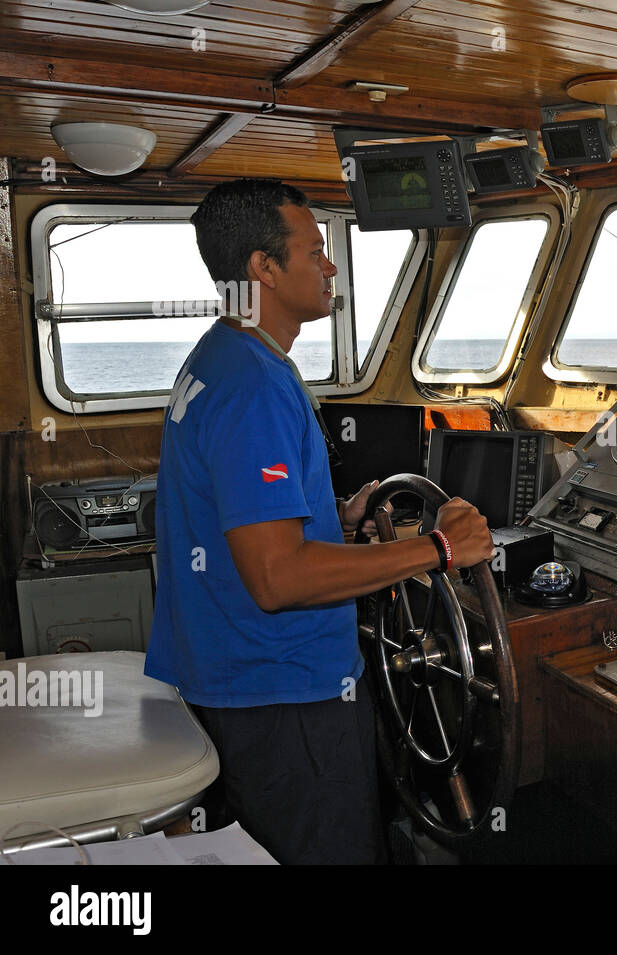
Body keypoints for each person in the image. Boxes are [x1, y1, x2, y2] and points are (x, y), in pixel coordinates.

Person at [144, 178, 493, 864]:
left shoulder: (220, 356)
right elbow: (278, 577)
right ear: (263, 269)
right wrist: (440, 547)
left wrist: (335, 518)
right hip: (283, 693)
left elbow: (241, 523)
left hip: (231, 681)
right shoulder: (255, 389)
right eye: (314, 250)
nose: (331, 264)